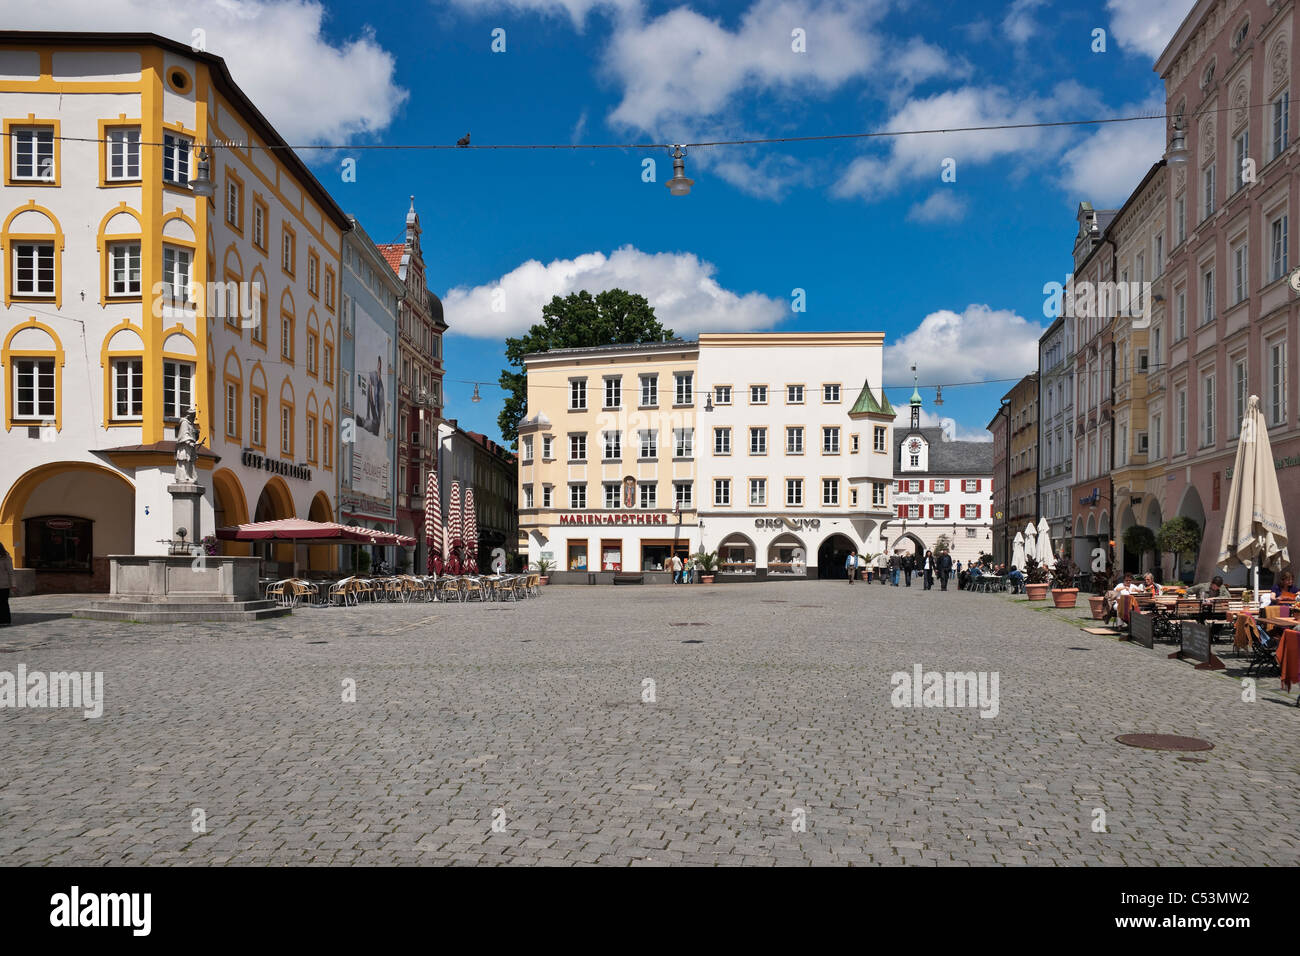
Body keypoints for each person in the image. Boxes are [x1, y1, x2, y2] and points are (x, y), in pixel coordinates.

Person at [0, 542, 11, 627]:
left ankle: (6, 620)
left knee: (3, 602)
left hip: (4, 584)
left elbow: (11, 572)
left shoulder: (6, 557)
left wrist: (13, 584)